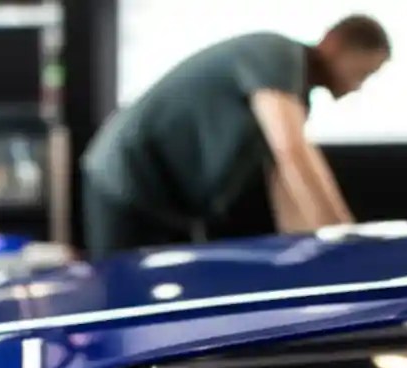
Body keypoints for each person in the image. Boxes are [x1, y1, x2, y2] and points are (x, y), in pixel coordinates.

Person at [82, 15, 391, 259]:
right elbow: (292, 152)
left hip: (172, 204)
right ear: (334, 44)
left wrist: (309, 248)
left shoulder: (295, 96)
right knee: (127, 291)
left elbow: (285, 185)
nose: (357, 87)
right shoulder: (279, 55)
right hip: (128, 179)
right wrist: (346, 242)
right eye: (363, 74)